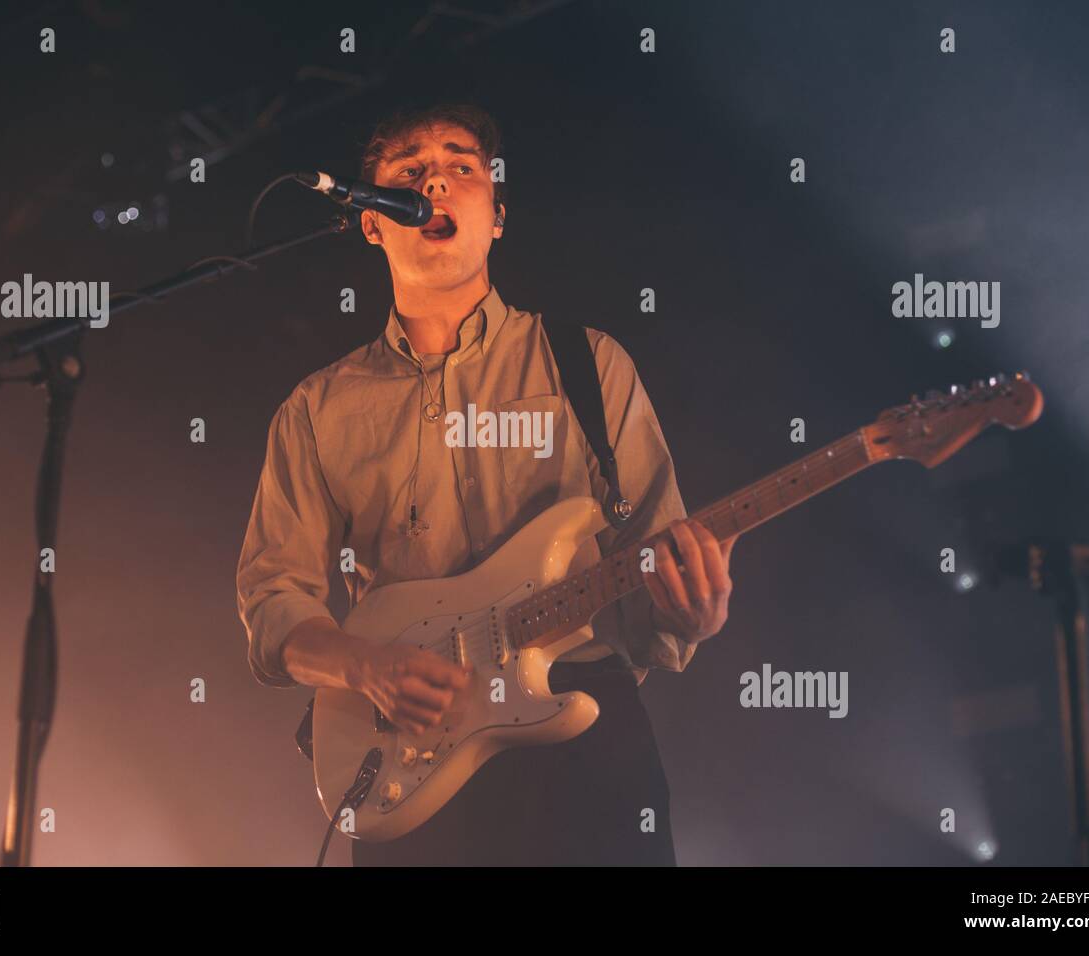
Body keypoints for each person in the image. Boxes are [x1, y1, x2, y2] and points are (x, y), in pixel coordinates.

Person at [236, 103, 736, 865]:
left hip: (584, 743)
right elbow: (274, 603)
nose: (435, 177)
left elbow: (651, 579)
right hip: (410, 758)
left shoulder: (590, 364)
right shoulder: (317, 410)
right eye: (408, 171)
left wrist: (689, 613)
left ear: (496, 217)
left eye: (462, 166)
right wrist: (365, 666)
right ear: (373, 221)